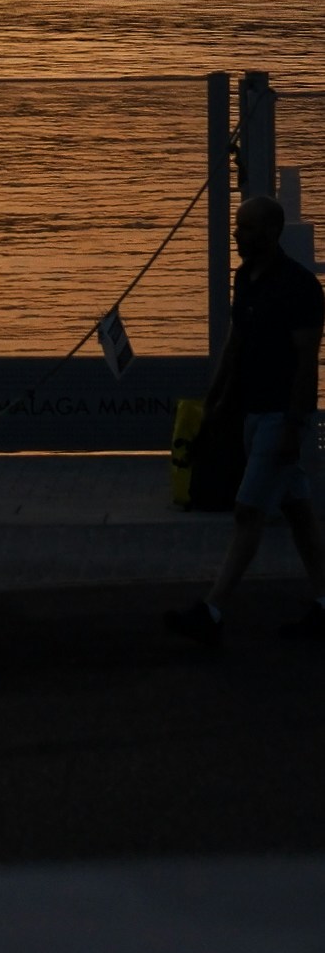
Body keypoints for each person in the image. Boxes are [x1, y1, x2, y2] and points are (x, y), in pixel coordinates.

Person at [168, 194, 325, 645]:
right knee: (298, 512)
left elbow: (307, 361)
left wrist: (294, 425)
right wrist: (214, 400)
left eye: (247, 227)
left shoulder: (300, 288)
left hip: (280, 416)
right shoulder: (245, 279)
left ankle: (213, 610)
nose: (237, 234)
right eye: (237, 226)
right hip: (253, 411)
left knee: (247, 511)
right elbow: (235, 343)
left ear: (271, 232)